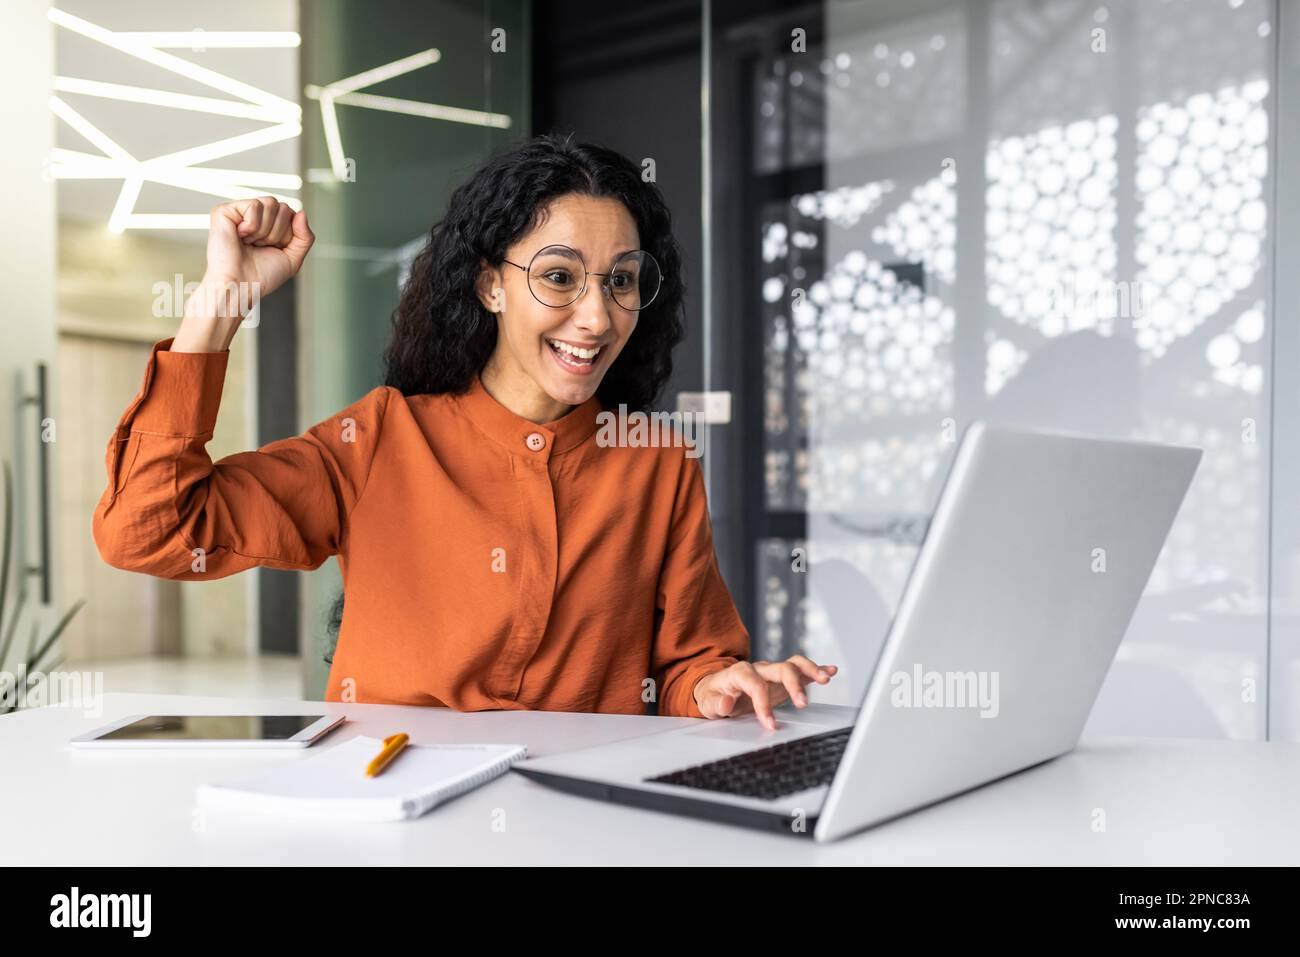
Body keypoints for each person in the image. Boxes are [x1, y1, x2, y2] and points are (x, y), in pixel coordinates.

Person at [92, 134, 837, 728]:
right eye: (559, 276)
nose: (598, 316)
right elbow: (148, 528)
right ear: (490, 283)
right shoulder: (380, 439)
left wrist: (718, 685)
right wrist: (224, 298)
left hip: (580, 827)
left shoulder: (657, 462)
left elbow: (687, 664)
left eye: (621, 279)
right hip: (393, 820)